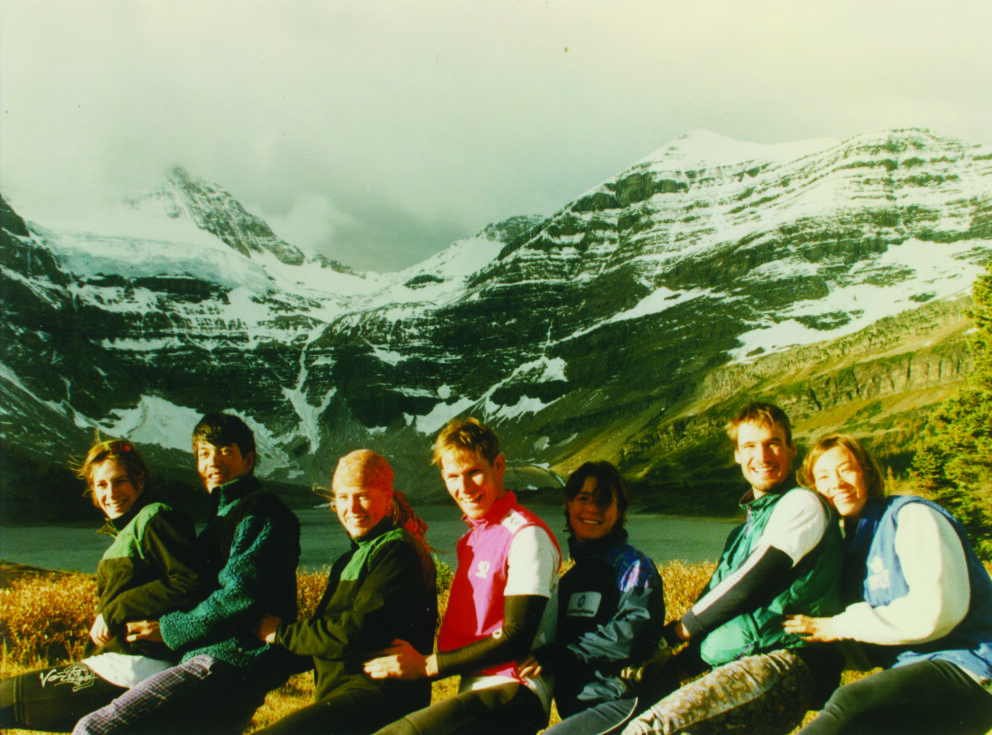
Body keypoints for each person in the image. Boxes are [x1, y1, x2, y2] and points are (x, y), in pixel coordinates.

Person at [622, 402, 845, 735]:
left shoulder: (802, 504)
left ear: (791, 449)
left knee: (651, 730)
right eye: (750, 446)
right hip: (743, 663)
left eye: (773, 444)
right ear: (738, 455)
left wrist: (669, 639)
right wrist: (674, 668)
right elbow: (725, 616)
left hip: (785, 662)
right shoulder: (741, 534)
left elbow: (746, 586)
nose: (763, 456)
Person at [74, 412, 301, 735]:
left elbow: (238, 595)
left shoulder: (262, 511)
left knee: (93, 729)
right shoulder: (220, 519)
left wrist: (167, 630)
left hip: (231, 660)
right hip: (211, 658)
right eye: (204, 453)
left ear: (248, 460)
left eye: (225, 451)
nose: (213, 462)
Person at [363, 417, 561, 735]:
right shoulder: (473, 538)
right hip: (478, 686)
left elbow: (515, 637)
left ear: (499, 466)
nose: (464, 488)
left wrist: (426, 665)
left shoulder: (526, 535)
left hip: (517, 689)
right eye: (453, 476)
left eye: (474, 473)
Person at [783, 434, 992, 735]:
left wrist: (838, 626)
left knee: (852, 702)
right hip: (916, 675)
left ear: (867, 473)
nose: (837, 483)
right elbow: (869, 645)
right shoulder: (850, 546)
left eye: (846, 470)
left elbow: (936, 613)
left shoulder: (911, 517)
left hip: (971, 666)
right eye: (824, 477)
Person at [0, 438, 201, 732]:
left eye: (120, 482)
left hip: (137, 665)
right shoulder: (128, 531)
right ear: (93, 491)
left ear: (140, 481)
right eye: (101, 485)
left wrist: (114, 611)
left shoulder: (156, 517)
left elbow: (189, 581)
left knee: (6, 702)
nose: (111, 493)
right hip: (118, 663)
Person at [252, 449, 438, 735]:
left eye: (362, 495)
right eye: (342, 497)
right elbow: (328, 636)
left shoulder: (396, 550)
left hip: (380, 697)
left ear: (387, 497)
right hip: (348, 694)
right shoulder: (351, 558)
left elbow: (356, 631)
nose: (352, 508)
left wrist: (281, 633)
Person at [520, 461, 672, 735]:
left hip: (624, 700)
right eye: (583, 499)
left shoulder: (633, 566)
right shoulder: (569, 580)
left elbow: (634, 635)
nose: (592, 509)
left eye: (603, 501)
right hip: (584, 709)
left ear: (619, 510)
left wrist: (562, 653)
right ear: (569, 505)